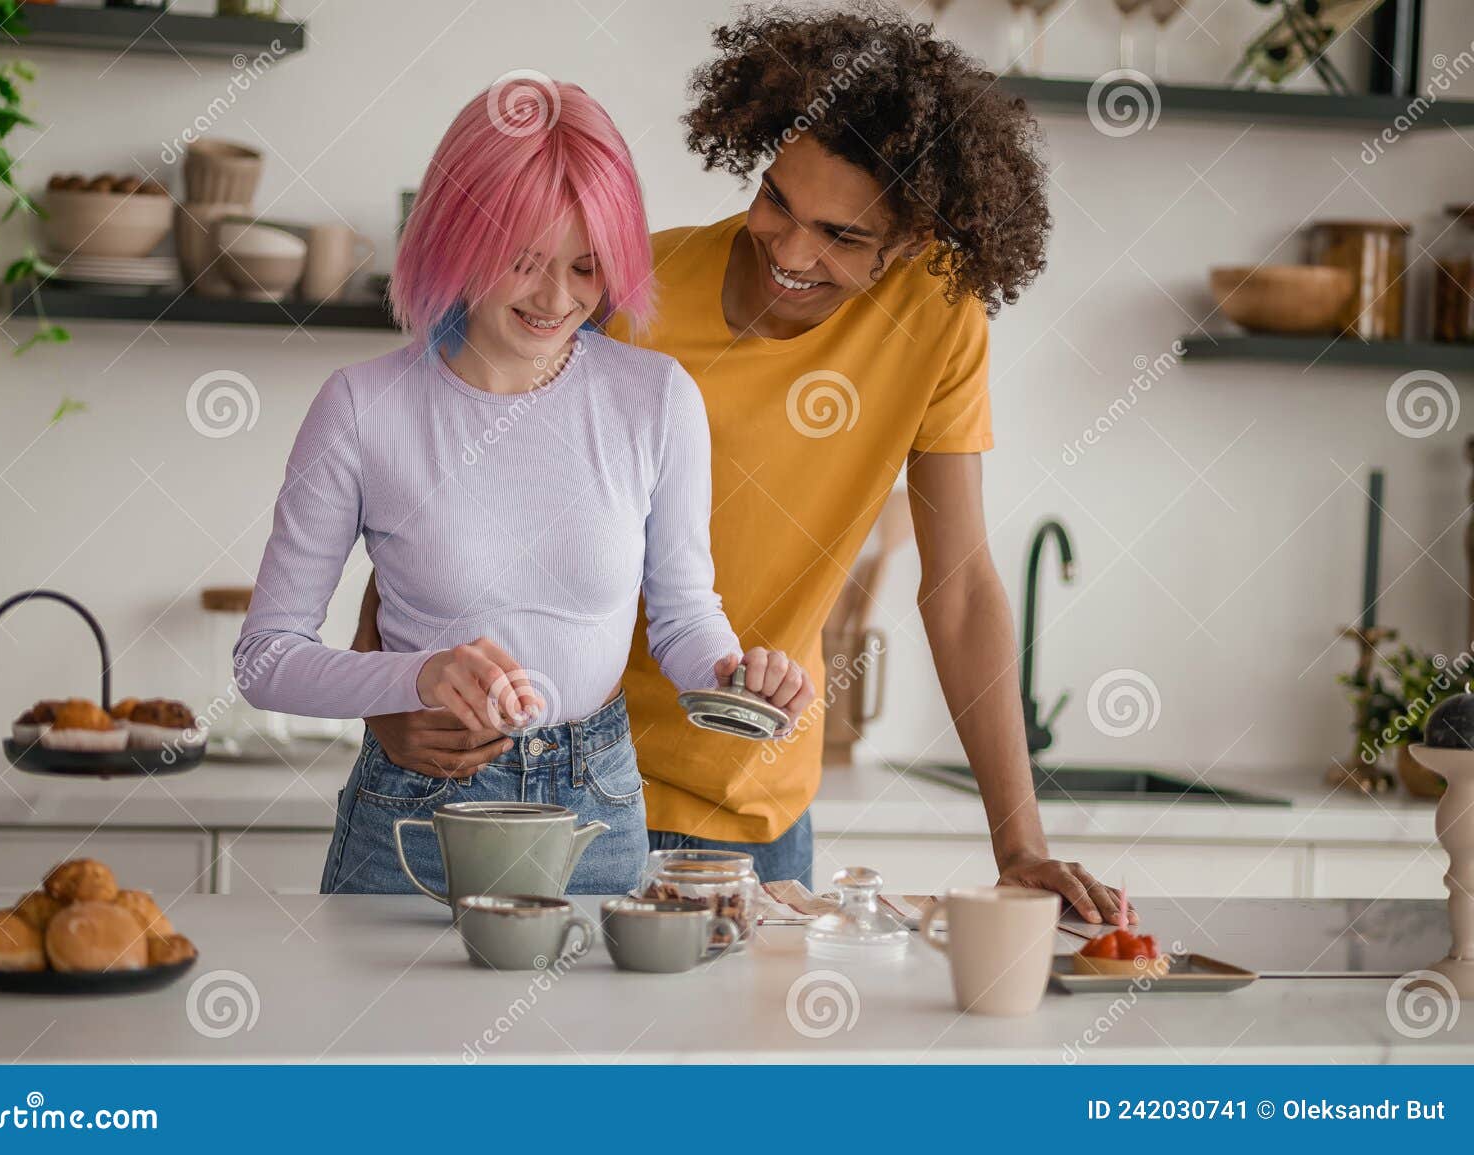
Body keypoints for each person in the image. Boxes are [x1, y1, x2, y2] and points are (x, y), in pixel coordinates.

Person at [355, 6, 1128, 922]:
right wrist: (384, 696)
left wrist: (1020, 846)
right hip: (555, 782)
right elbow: (443, 506)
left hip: (747, 809)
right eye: (777, 201)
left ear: (915, 240)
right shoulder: (626, 297)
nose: (793, 253)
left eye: (843, 237)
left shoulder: (939, 322)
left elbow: (958, 587)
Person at [236, 78, 809, 896]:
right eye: (523, 262)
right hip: (419, 812)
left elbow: (684, 616)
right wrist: (415, 678)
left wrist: (735, 680)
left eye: (586, 267)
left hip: (598, 806)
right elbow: (266, 657)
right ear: (455, 237)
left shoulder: (656, 397)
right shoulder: (364, 408)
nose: (555, 299)